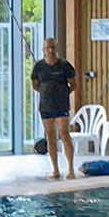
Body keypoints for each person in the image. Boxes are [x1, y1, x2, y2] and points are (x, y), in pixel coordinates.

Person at [31, 38, 79, 180]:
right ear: (43, 50)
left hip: (61, 105)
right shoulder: (39, 66)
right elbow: (35, 85)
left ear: (56, 48)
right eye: (47, 48)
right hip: (45, 106)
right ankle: (55, 169)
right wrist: (46, 94)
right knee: (50, 137)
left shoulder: (64, 65)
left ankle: (70, 168)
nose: (50, 50)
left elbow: (73, 84)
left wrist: (63, 94)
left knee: (64, 134)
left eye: (53, 47)